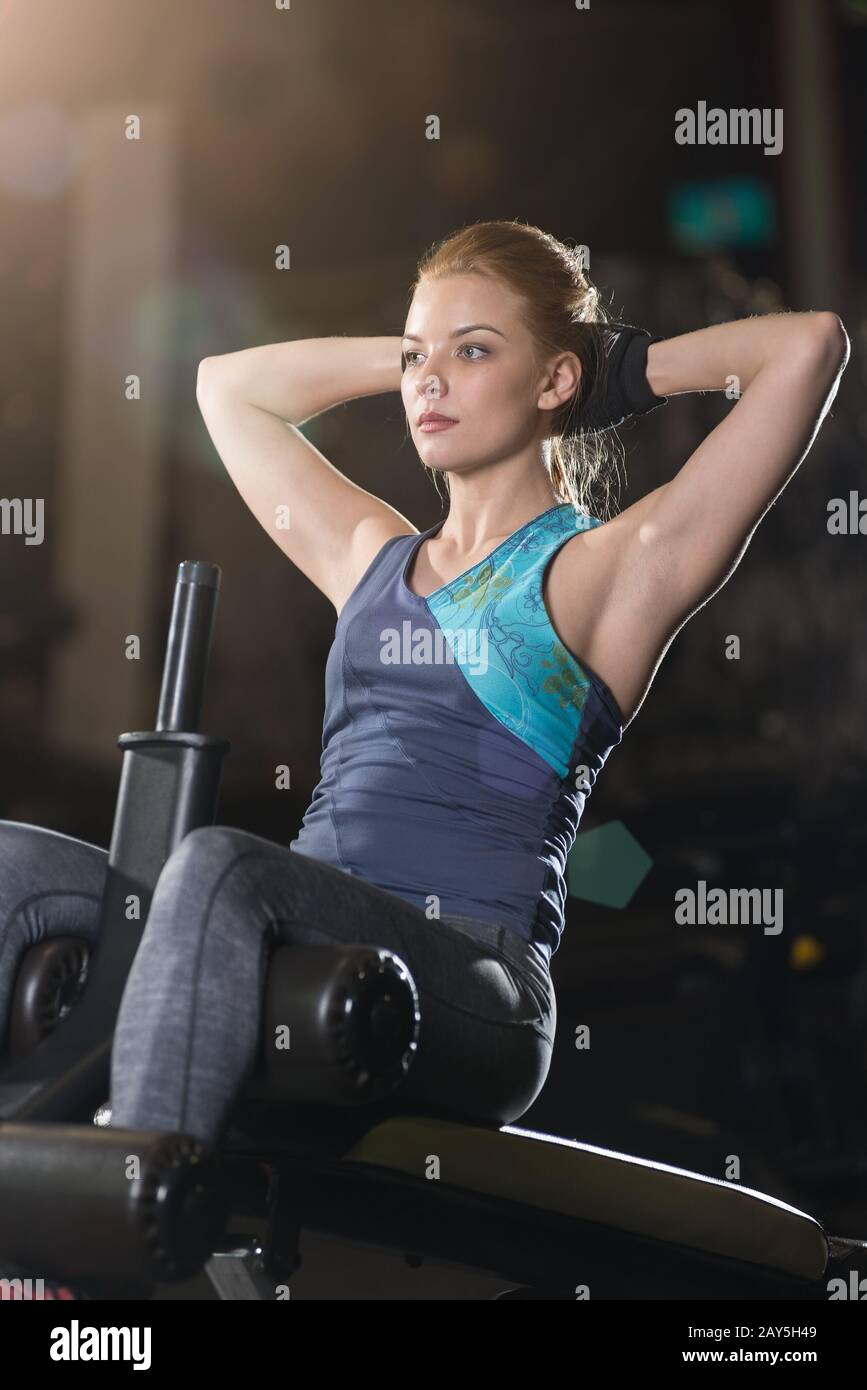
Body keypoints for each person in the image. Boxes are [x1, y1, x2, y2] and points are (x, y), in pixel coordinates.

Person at [0, 220, 848, 1160]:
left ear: (557, 379)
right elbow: (227, 389)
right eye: (416, 359)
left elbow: (804, 346)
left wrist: (614, 371)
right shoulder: (370, 556)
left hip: (474, 984)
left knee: (218, 865)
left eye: (475, 352)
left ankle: (135, 1212)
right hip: (296, 922)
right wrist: (427, 352)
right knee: (11, 866)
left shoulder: (605, 574)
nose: (430, 381)